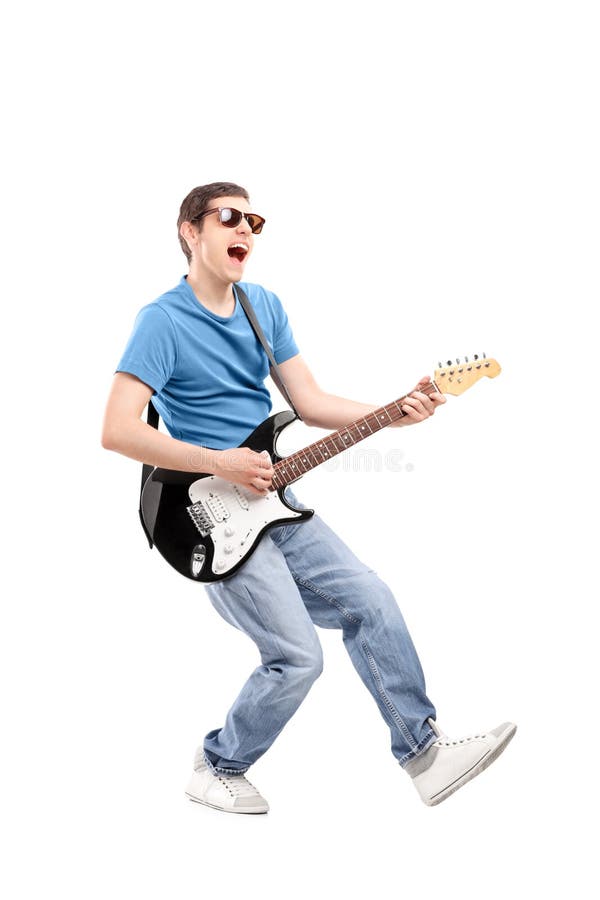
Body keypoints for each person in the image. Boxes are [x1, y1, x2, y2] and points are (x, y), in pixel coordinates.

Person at [101, 181, 516, 815]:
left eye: (254, 222)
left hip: (274, 500)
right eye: (229, 218)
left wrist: (392, 414)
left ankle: (424, 756)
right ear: (190, 231)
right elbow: (118, 430)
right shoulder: (162, 320)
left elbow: (310, 402)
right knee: (296, 656)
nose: (245, 230)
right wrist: (223, 463)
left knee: (372, 600)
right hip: (210, 516)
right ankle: (217, 763)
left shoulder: (261, 306)